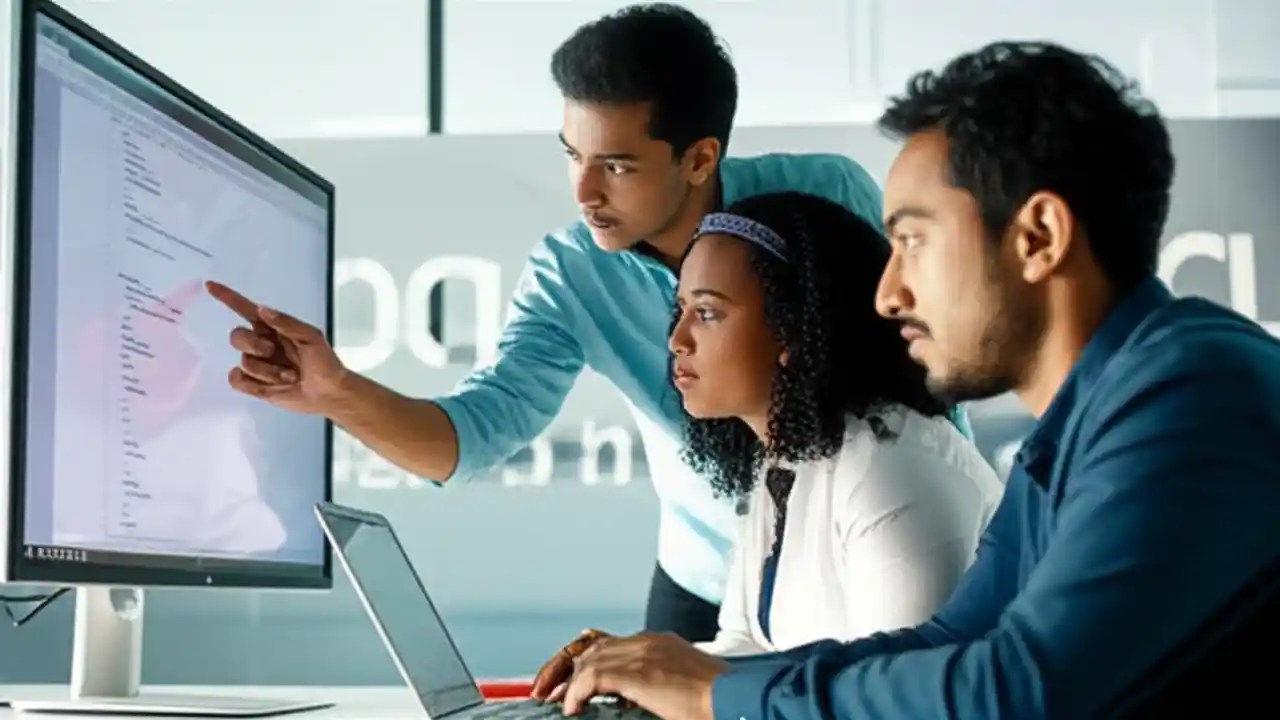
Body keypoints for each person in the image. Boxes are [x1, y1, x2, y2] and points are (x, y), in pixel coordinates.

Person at [552, 40, 1280, 720]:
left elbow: (1020, 691)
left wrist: (716, 694)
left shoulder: (1191, 395)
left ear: (1039, 238)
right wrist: (680, 672)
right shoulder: (1079, 430)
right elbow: (946, 642)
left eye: (913, 241)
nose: (888, 293)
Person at [205, 3, 967, 642]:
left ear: (700, 159)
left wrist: (951, 515)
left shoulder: (822, 200)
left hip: (868, 538)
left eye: (618, 165)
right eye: (572, 154)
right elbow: (474, 436)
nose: (583, 192)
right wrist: (336, 392)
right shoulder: (571, 273)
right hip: (712, 577)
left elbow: (917, 380)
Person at [527, 191, 1003, 700]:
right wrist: (637, 664)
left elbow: (893, 699)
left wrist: (677, 682)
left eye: (708, 313)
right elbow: (751, 646)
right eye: (681, 309)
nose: (677, 340)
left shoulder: (893, 469)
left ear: (791, 331)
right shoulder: (785, 460)